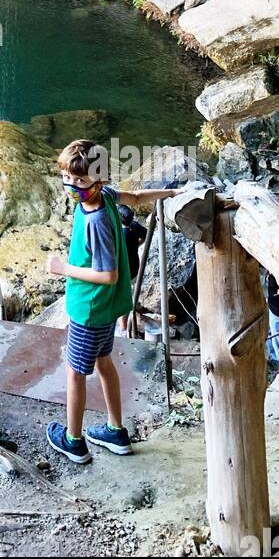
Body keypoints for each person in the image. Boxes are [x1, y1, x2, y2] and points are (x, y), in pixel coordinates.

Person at [44, 139, 178, 465]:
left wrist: (64, 268)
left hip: (89, 308)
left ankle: (74, 441)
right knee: (104, 363)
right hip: (105, 309)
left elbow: (109, 275)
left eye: (80, 180)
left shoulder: (95, 221)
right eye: (68, 178)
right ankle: (115, 431)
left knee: (75, 372)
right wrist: (168, 194)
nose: (72, 186)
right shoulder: (103, 196)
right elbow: (134, 197)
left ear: (98, 178)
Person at [116, 202, 147, 334]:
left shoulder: (119, 234)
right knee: (128, 293)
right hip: (134, 267)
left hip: (123, 271)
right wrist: (137, 245)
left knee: (122, 297)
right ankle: (123, 323)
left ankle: (123, 326)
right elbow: (145, 234)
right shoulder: (133, 226)